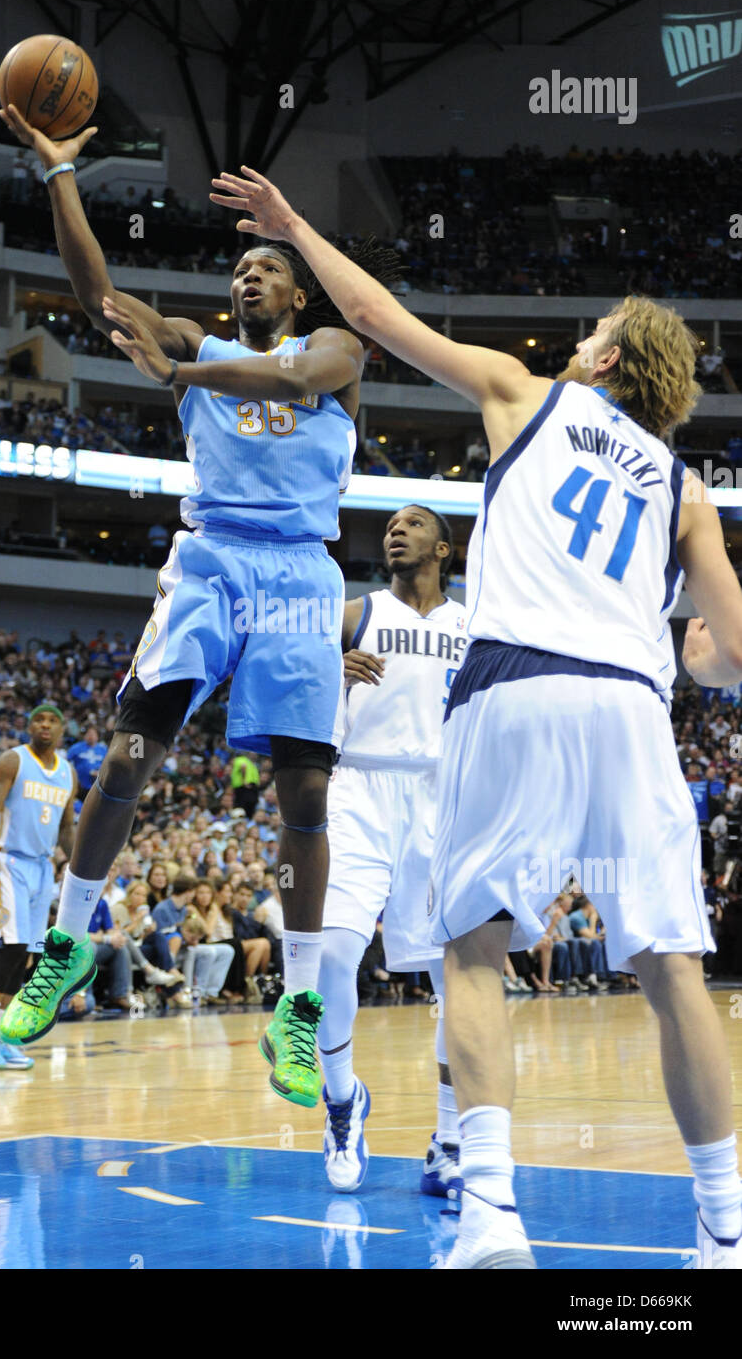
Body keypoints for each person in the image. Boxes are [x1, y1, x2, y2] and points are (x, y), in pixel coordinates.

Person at [216, 168, 742, 1269]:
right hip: (633, 710)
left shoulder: (526, 392)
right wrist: (696, 651)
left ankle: (494, 1215)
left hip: (514, 687)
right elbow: (729, 655)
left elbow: (372, 319)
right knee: (673, 971)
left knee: (471, 949)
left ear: (600, 360)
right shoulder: (686, 488)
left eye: (591, 329)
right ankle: (727, 1223)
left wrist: (297, 226)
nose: (582, 338)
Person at [0, 103, 394, 1109]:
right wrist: (59, 178)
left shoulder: (336, 352)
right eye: (236, 271)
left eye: (263, 269)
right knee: (132, 752)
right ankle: (64, 944)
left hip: (304, 573)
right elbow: (97, 298)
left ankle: (297, 1012)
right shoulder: (193, 343)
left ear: (295, 289)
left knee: (304, 797)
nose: (244, 277)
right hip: (212, 559)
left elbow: (302, 373)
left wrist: (184, 371)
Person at [316, 505, 466, 1193]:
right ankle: (342, 1101)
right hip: (360, 787)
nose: (394, 532)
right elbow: (279, 681)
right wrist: (325, 673)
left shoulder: (474, 626)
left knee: (453, 979)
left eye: (412, 524)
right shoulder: (354, 613)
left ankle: (448, 1139)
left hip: (441, 800)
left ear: (443, 546)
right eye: (388, 527)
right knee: (334, 953)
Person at [0, 705, 75, 1071]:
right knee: (10, 945)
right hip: (7, 861)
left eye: (53, 720)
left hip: (41, 867)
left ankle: (0, 1034)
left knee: (26, 954)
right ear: (29, 726)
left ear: (61, 729)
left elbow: (67, 827)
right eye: (38, 719)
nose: (45, 724)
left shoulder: (68, 772)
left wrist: (77, 865)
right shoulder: (13, 760)